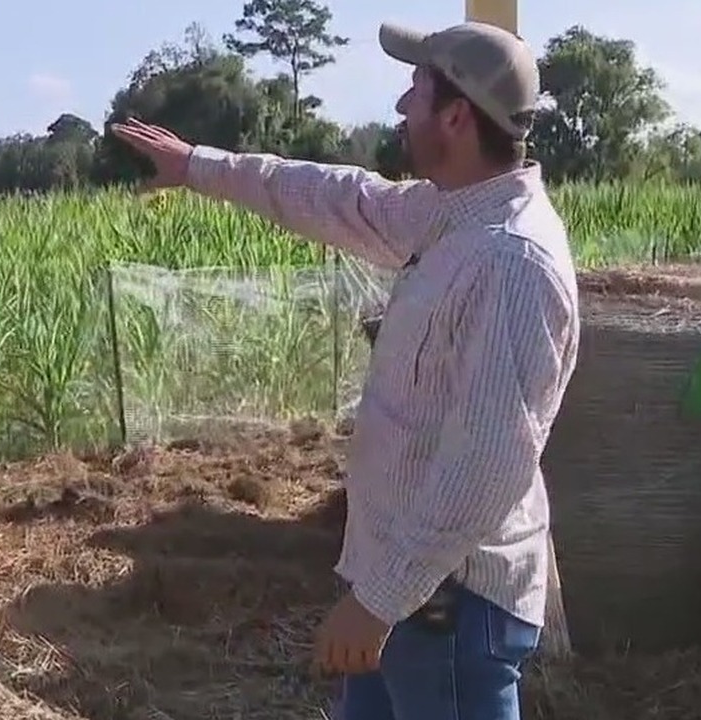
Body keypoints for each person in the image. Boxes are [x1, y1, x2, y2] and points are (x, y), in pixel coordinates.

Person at [111, 19, 579, 720]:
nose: (400, 106)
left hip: (444, 608)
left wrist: (378, 601)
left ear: (455, 116)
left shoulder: (509, 262)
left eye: (416, 90)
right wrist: (197, 167)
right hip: (413, 599)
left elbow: (486, 464)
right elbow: (339, 195)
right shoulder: (448, 217)